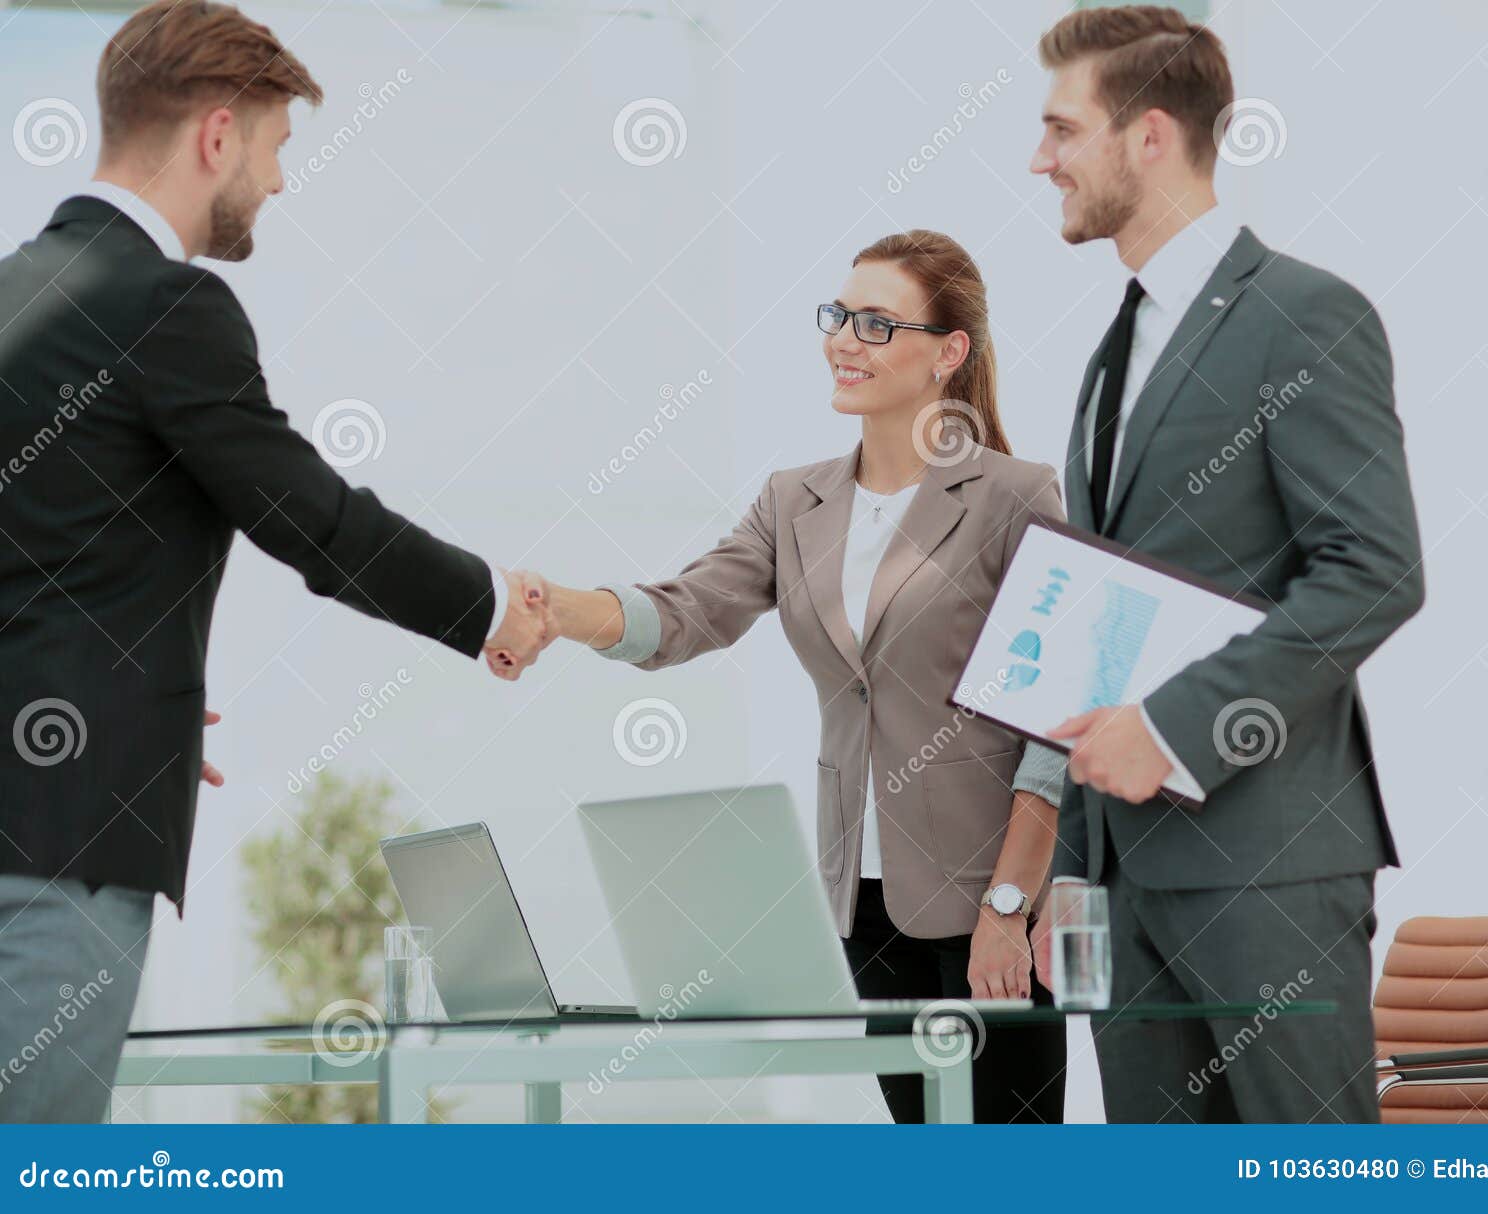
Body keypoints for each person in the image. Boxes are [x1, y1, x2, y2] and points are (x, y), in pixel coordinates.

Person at [0, 0, 547, 1123]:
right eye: (275, 146)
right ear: (217, 134)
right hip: (63, 842)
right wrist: (491, 604)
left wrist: (102, 701)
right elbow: (312, 520)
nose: (281, 182)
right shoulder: (167, 305)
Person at [518, 230, 1070, 1123]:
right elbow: (687, 611)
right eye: (838, 316)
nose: (844, 340)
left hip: (989, 896)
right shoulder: (795, 501)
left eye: (877, 323)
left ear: (948, 352)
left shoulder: (1014, 494)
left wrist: (1010, 903)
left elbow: (1058, 718)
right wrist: (557, 610)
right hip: (864, 898)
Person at [1023, 5, 1425, 1123]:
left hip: (1266, 861)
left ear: (1149, 135)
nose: (1041, 159)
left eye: (1062, 129)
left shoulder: (1301, 315)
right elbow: (1107, 615)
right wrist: (1072, 864)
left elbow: (1374, 568)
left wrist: (1170, 729)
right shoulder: (1113, 353)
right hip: (1123, 881)